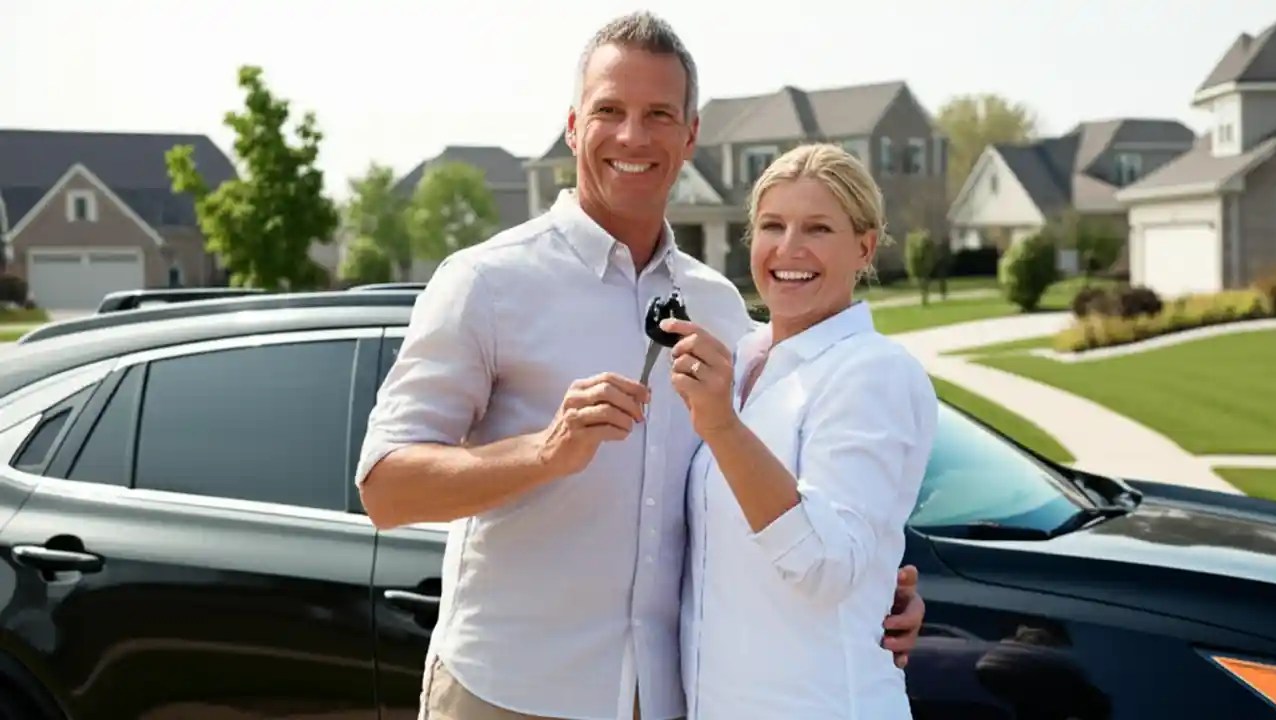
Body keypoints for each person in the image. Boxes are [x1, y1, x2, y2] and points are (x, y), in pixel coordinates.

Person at [354, 12, 925, 720]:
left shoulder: (720, 312)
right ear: (572, 127)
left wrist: (881, 585)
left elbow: (798, 473)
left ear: (690, 136)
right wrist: (545, 452)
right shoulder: (485, 283)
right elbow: (385, 490)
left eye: (658, 114)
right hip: (511, 690)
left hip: (663, 698)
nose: (632, 136)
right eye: (609, 112)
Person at [663, 143, 938, 719]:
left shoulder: (874, 373)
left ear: (864, 246)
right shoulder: (739, 360)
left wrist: (721, 425)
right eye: (772, 226)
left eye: (817, 228)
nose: (789, 249)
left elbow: (824, 567)